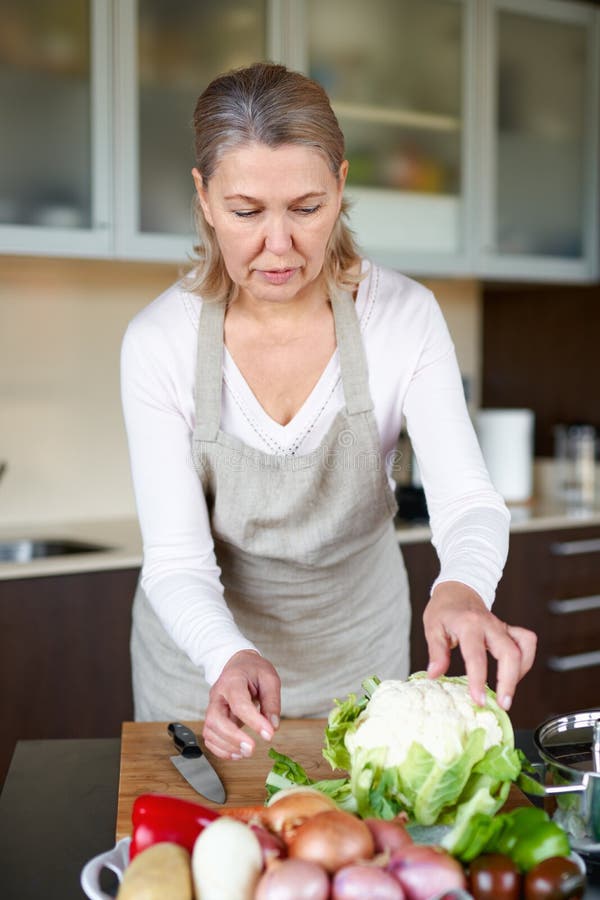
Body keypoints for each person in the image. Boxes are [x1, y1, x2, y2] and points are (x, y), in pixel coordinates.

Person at [121, 62, 536, 761]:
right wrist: (226, 655)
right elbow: (175, 561)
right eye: (247, 211)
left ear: (341, 186)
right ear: (204, 196)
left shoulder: (403, 318)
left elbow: (467, 499)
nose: (278, 245)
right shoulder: (157, 342)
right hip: (205, 668)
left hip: (359, 662)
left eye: (306, 208)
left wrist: (463, 588)